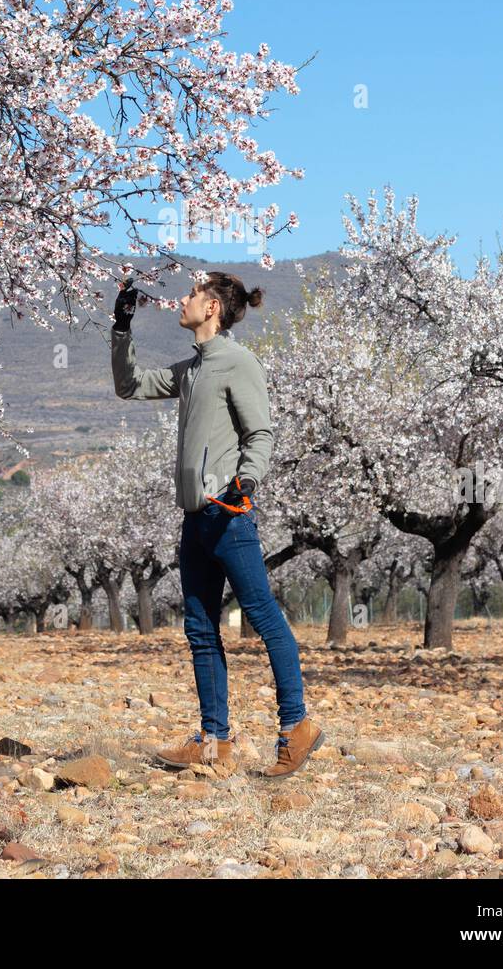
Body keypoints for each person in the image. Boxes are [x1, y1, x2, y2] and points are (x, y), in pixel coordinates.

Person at [111, 270, 324, 779]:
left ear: (211, 308)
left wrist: (245, 483)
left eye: (191, 294)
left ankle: (296, 726)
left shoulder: (237, 362)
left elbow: (261, 433)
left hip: (228, 515)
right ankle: (213, 741)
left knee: (262, 615)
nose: (181, 301)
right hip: (194, 520)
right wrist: (121, 328)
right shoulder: (192, 369)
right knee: (202, 630)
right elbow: (128, 386)